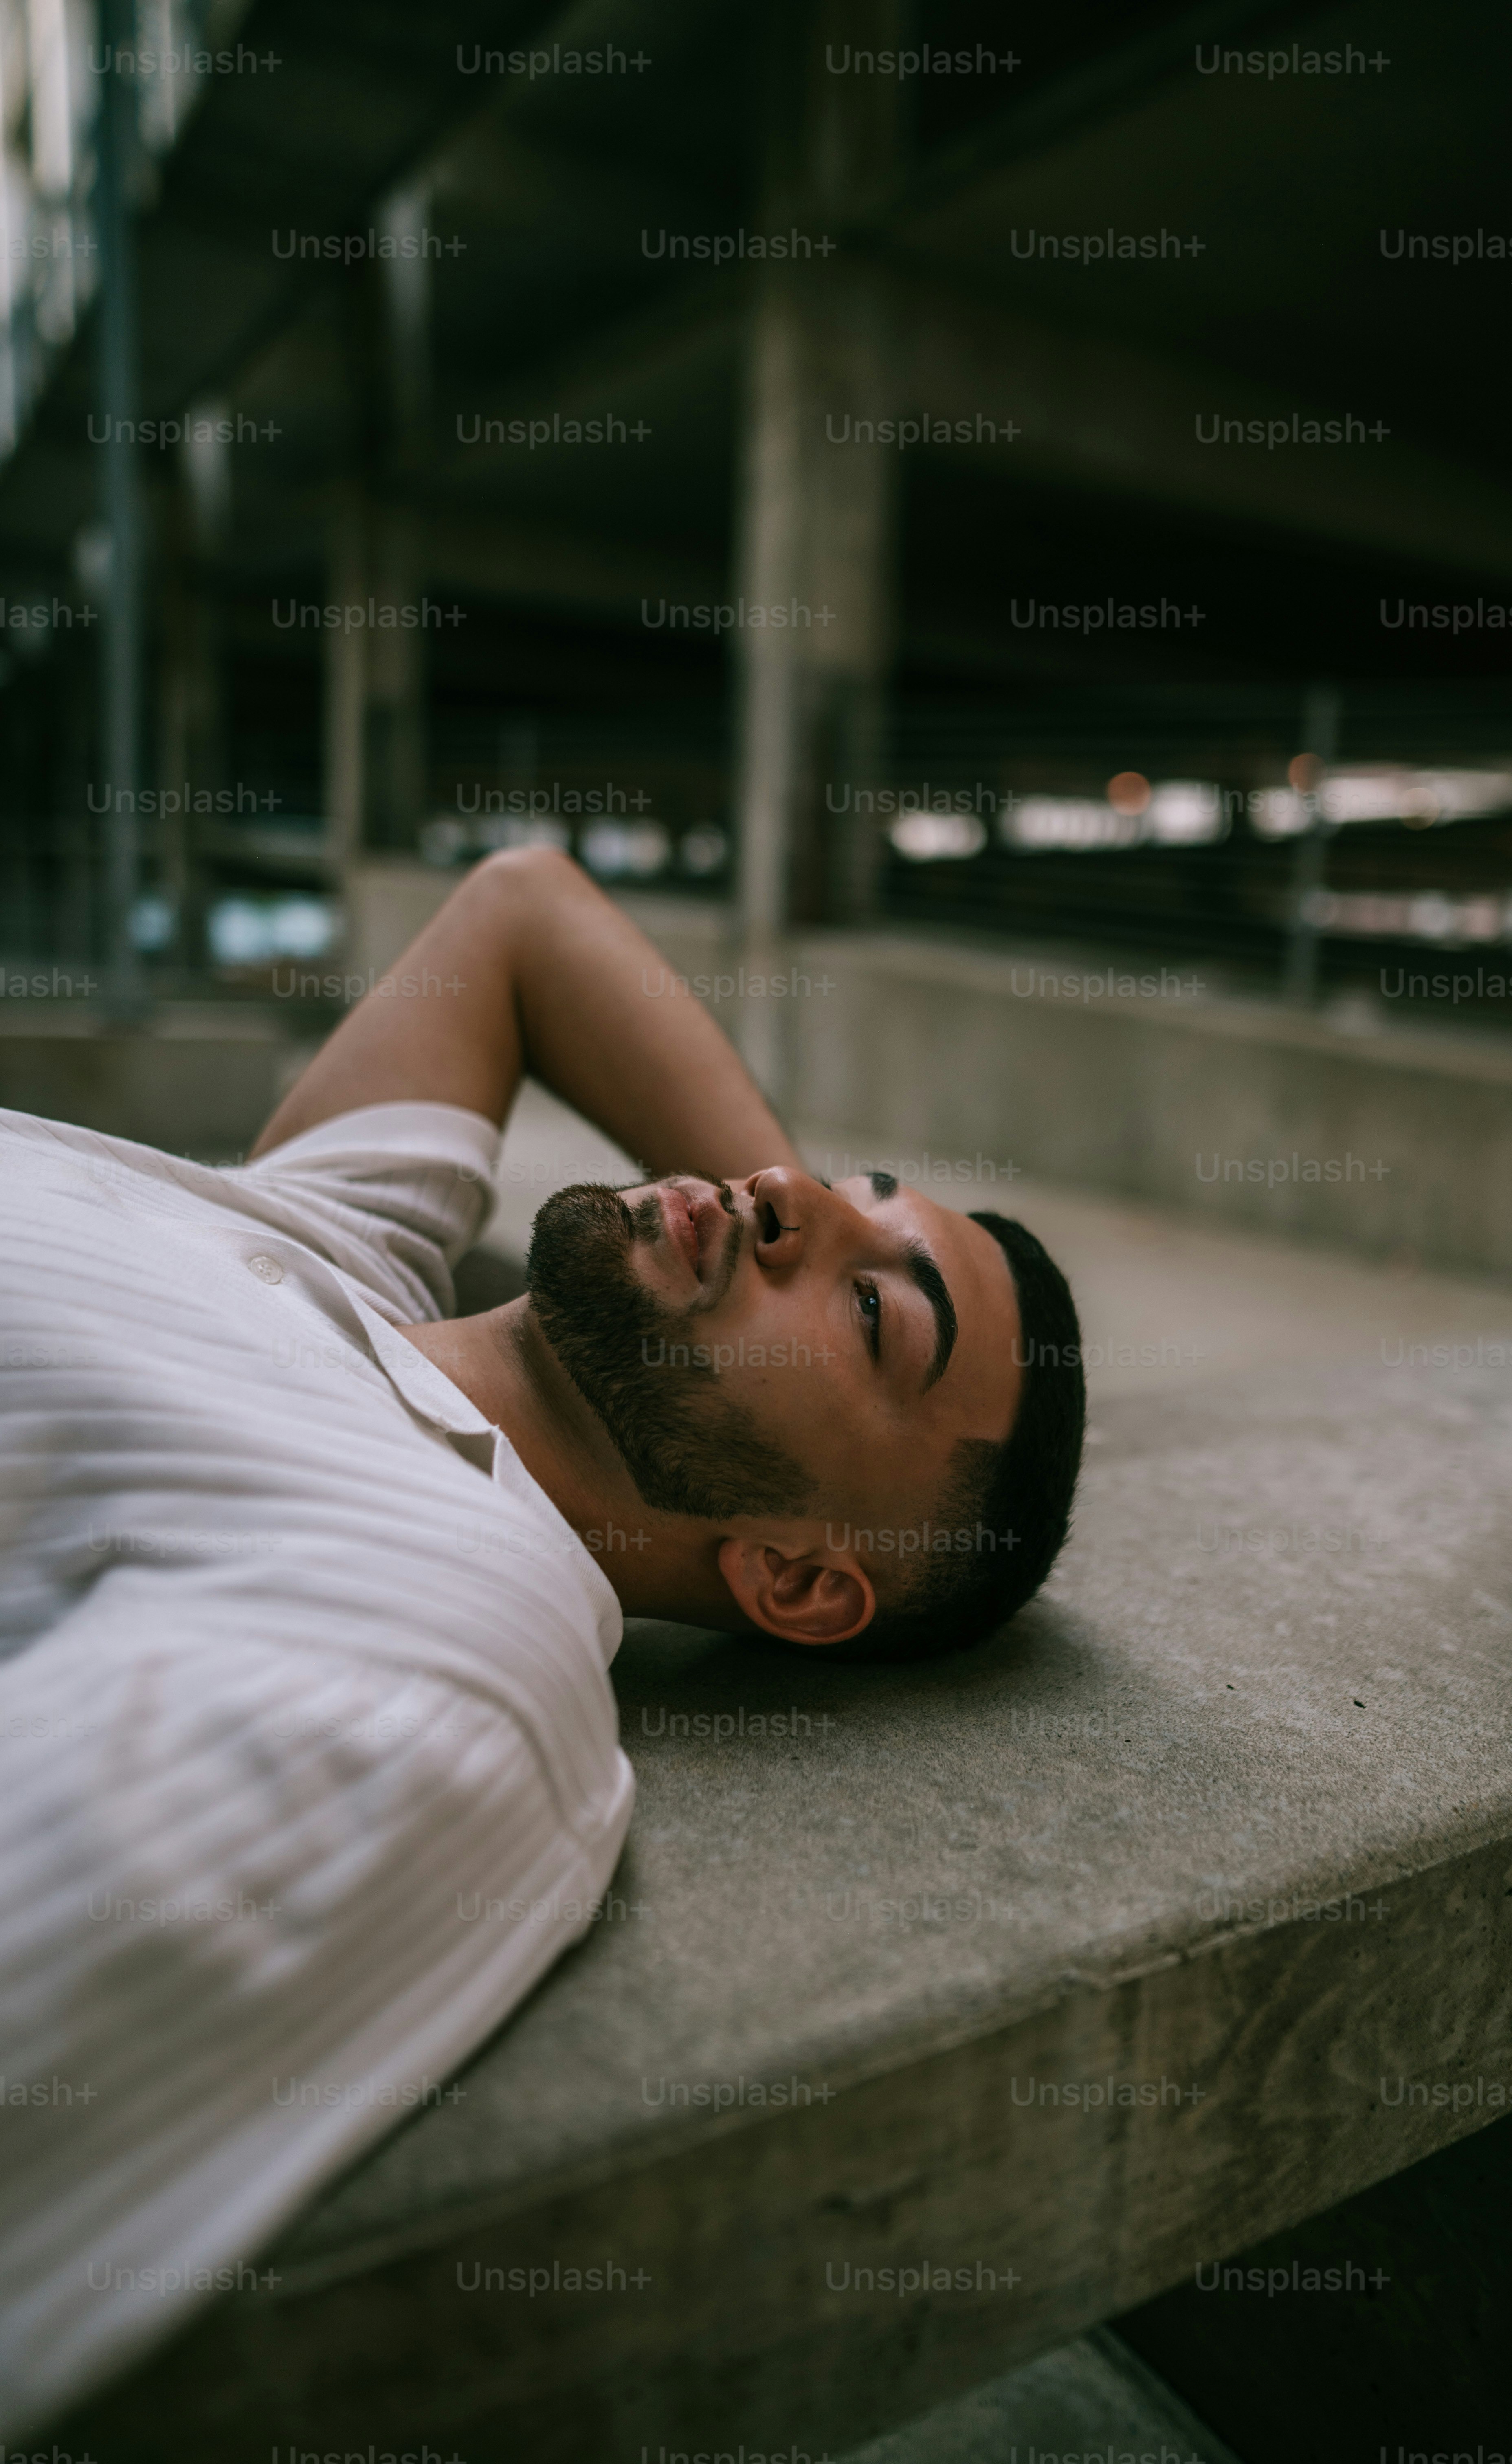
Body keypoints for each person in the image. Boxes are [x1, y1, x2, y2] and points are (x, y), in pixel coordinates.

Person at [0, 847, 1083, 2432]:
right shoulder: (336, 1239)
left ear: (793, 1579)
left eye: (874, 1316)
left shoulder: (441, 1627)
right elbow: (521, 915)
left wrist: (742, 1284)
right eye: (831, 1190)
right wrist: (755, 1265)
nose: (779, 1193)